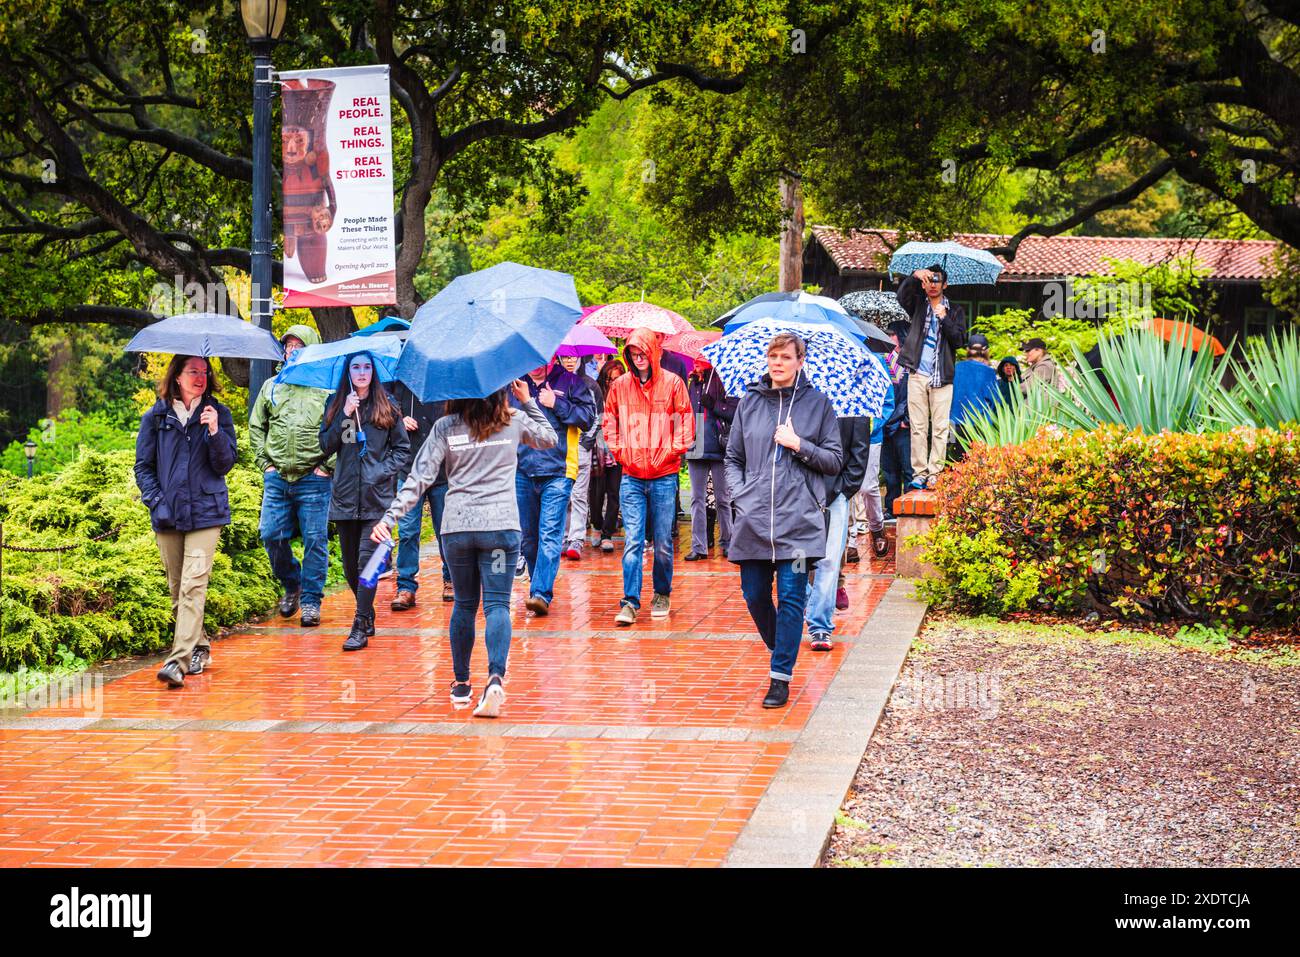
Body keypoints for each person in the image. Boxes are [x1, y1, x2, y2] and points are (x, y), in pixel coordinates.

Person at [372, 381, 557, 718]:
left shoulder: (445, 427)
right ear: (501, 389)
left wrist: (390, 517)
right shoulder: (513, 421)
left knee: (465, 604)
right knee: (498, 603)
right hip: (500, 530)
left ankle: (460, 685)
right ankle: (496, 677)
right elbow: (550, 438)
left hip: (458, 531)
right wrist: (528, 401)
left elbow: (419, 477)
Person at [725, 332, 841, 708]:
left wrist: (799, 445)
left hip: (798, 525)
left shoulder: (818, 405)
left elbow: (834, 461)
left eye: (785, 357)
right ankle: (783, 649)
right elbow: (733, 458)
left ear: (799, 362)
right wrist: (741, 495)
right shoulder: (750, 402)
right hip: (754, 522)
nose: (777, 363)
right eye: (773, 356)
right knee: (754, 594)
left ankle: (780, 677)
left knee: (791, 598)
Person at [134, 355, 237, 689]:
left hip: (206, 513)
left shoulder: (218, 414)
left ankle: (176, 661)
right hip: (168, 514)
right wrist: (156, 501)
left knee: (194, 585)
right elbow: (143, 467)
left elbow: (224, 464)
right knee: (179, 591)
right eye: (193, 371)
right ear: (176, 376)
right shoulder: (156, 417)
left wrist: (214, 431)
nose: (200, 377)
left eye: (204, 372)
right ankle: (200, 648)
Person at [603, 327, 694, 625]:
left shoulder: (674, 384)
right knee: (632, 540)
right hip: (631, 475)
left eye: (643, 353)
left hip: (664, 476)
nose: (639, 358)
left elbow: (686, 424)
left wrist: (670, 450)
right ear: (627, 355)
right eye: (633, 353)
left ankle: (662, 592)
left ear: (653, 353)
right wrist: (621, 453)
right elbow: (610, 423)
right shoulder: (619, 387)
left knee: (663, 542)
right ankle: (629, 600)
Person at [318, 353, 410, 651]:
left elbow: (401, 450)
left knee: (368, 564)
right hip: (345, 496)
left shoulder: (388, 405)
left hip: (377, 499)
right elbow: (327, 445)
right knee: (349, 568)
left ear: (373, 372)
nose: (361, 372)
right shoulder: (335, 403)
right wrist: (344, 413)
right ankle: (367, 611)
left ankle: (359, 623)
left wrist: (379, 471)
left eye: (366, 367)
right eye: (356, 367)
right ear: (348, 372)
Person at [249, 324, 334, 629]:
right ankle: (292, 583)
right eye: (288, 346)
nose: (292, 350)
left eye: (299, 345)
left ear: (312, 349)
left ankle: (311, 601)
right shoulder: (271, 386)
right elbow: (256, 426)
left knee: (315, 540)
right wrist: (265, 464)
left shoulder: (328, 387)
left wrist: (328, 466)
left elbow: (343, 427)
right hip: (278, 477)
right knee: (270, 534)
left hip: (315, 478)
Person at [512, 358, 596, 616]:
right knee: (528, 539)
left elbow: (587, 418)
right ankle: (539, 587)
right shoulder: (513, 385)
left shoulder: (570, 382)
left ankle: (539, 593)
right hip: (522, 469)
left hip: (559, 470)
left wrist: (556, 403)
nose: (535, 364)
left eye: (541, 359)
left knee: (550, 534)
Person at [896, 264, 968, 490]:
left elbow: (959, 341)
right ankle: (919, 473)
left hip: (942, 377)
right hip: (918, 374)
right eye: (929, 280)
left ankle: (935, 472)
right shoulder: (917, 304)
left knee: (940, 428)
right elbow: (900, 298)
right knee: (917, 427)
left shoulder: (955, 310)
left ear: (945, 285)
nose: (933, 284)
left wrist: (945, 318)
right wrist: (913, 276)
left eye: (937, 280)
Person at [804, 404, 869, 652]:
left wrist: (843, 489)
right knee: (797, 559)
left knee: (830, 561)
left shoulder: (853, 401)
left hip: (836, 494)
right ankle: (809, 603)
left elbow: (859, 451)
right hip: (799, 491)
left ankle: (820, 624)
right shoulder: (798, 397)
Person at [388, 380, 452, 610]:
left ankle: (451, 580)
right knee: (407, 531)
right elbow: (386, 408)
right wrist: (399, 420)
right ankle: (406, 586)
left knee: (446, 530)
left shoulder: (447, 380)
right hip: (410, 468)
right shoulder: (399, 380)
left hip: (442, 469)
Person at [684, 355, 736, 560]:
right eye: (694, 360)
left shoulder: (721, 380)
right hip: (696, 445)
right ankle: (699, 547)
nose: (695, 363)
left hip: (718, 445)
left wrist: (714, 405)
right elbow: (686, 412)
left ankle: (728, 543)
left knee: (723, 498)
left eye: (700, 360)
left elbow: (734, 411)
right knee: (697, 499)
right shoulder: (693, 383)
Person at [560, 354, 602, 561]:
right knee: (562, 494)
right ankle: (564, 536)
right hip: (559, 447)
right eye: (564, 357)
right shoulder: (555, 383)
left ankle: (576, 538)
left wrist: (587, 442)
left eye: (573, 358)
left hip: (581, 446)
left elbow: (598, 416)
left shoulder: (590, 385)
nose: (569, 361)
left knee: (578, 495)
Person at [588, 358, 626, 552]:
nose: (614, 383)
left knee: (614, 493)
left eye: (617, 379)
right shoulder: (597, 394)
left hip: (617, 449)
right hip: (598, 449)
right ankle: (596, 523)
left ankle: (607, 533)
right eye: (610, 380)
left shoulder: (626, 395)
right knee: (595, 494)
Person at [880, 321, 914, 520]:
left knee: (908, 468)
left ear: (901, 335)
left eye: (892, 334)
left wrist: (907, 419)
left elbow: (916, 394)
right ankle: (891, 508)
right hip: (885, 423)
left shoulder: (911, 360)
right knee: (890, 470)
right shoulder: (883, 360)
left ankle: (908, 507)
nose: (889, 337)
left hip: (903, 424)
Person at [949, 343, 1001, 459]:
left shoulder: (956, 367)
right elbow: (995, 400)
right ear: (987, 350)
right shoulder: (988, 372)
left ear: (968, 349)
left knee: (952, 459)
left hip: (953, 422)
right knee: (976, 463)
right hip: (978, 425)